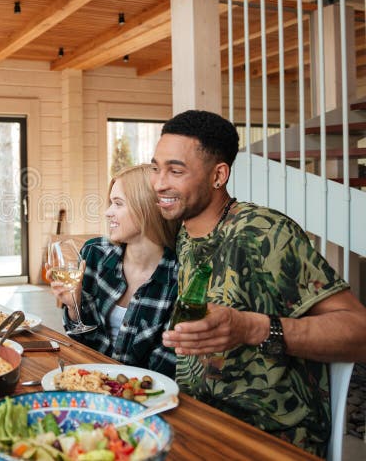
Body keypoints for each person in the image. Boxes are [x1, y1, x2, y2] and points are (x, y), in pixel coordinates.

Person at [150, 109, 366, 456]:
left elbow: (360, 331)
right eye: (156, 168)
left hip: (267, 437)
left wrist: (253, 328)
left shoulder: (262, 232)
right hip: (198, 419)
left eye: (176, 170)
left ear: (218, 175)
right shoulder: (187, 233)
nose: (159, 183)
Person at [50, 164, 180, 376]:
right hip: (87, 380)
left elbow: (164, 366)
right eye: (110, 203)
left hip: (142, 395)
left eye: (118, 204)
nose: (107, 212)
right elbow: (79, 341)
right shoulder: (95, 254)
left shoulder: (178, 276)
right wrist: (75, 307)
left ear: (146, 208)